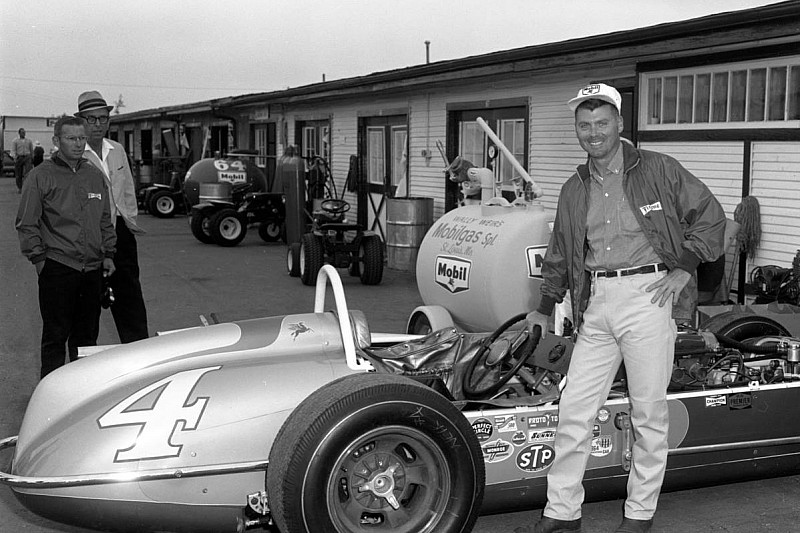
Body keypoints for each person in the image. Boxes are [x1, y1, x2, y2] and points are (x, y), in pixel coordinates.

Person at [520, 83, 725, 533]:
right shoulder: (574, 187)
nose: (593, 133)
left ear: (618, 124)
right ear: (577, 129)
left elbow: (711, 216)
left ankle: (639, 515)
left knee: (648, 411)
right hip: (596, 301)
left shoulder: (659, 169)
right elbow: (560, 250)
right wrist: (545, 304)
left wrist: (684, 267)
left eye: (601, 123)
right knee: (575, 409)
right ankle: (562, 514)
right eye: (584, 125)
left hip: (649, 297)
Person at [16, 116, 116, 378]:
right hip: (59, 267)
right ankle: (51, 399)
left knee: (86, 339)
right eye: (71, 138)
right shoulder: (40, 176)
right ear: (56, 141)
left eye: (82, 138)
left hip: (92, 269)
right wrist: (40, 261)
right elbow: (26, 223)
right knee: (55, 336)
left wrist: (108, 253)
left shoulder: (94, 176)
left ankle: (82, 393)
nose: (78, 144)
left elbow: (105, 218)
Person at [76, 90, 149, 343]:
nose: (97, 125)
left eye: (102, 118)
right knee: (87, 308)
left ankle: (139, 358)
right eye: (91, 119)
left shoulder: (116, 150)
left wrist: (129, 222)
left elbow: (128, 188)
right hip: (90, 238)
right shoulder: (75, 154)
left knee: (130, 300)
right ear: (81, 121)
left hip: (121, 234)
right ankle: (85, 366)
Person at [12, 127, 34, 192]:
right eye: (22, 132)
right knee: (18, 174)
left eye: (24, 132)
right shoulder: (15, 141)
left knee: (28, 173)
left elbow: (31, 149)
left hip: (27, 157)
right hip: (19, 157)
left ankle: (26, 187)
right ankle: (20, 187)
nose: (24, 134)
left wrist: (32, 157)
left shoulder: (29, 141)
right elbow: (13, 150)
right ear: (19, 133)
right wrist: (15, 158)